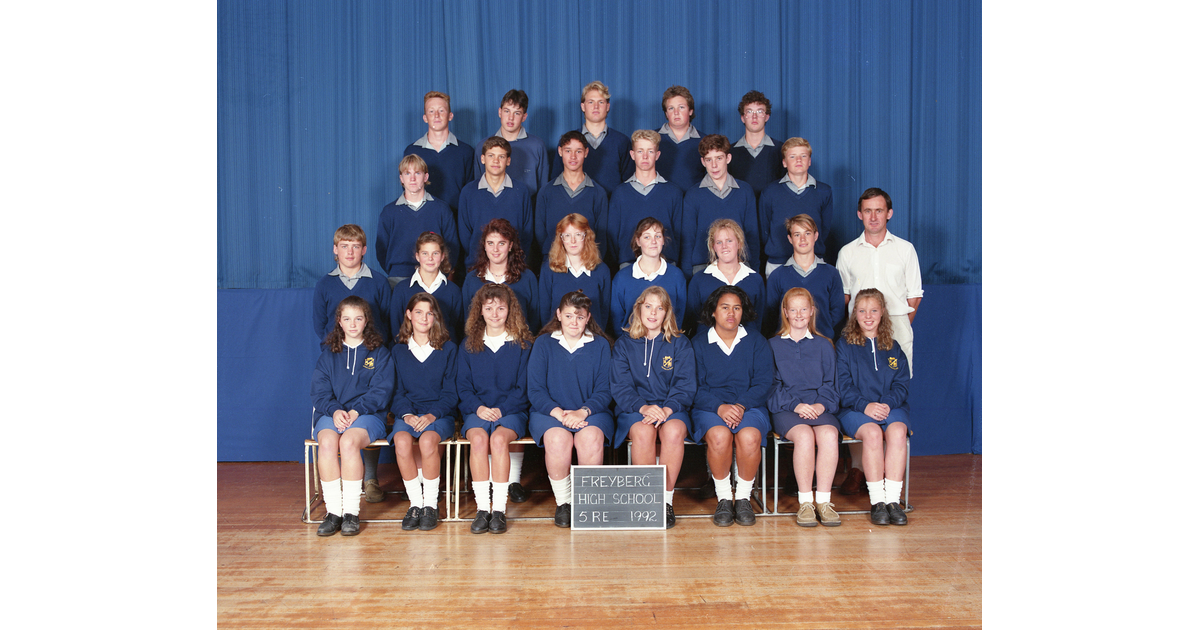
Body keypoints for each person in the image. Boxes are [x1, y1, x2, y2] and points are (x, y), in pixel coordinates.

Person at [312, 224, 392, 503]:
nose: (350, 252)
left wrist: (372, 351)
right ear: (335, 249)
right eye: (344, 246)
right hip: (338, 359)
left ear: (364, 250)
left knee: (359, 428)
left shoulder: (378, 282)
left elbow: (388, 322)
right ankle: (336, 505)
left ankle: (369, 478)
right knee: (332, 437)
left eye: (355, 246)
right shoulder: (325, 284)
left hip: (369, 359)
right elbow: (320, 325)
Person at [610, 286, 696, 529]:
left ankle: (665, 501)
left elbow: (685, 384)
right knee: (643, 432)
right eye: (648, 306)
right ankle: (648, 501)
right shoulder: (624, 344)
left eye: (660, 308)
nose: (653, 313)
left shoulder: (680, 343)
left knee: (674, 432)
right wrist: (643, 407)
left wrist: (667, 409)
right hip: (635, 409)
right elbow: (620, 386)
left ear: (667, 312)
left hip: (672, 408)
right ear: (639, 308)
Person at [527, 291, 614, 528]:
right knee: (557, 439)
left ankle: (587, 502)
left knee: (590, 438)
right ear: (558, 315)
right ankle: (564, 502)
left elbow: (605, 390)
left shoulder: (600, 345)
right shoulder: (544, 343)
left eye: (580, 317)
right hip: (550, 413)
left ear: (588, 318)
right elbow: (535, 389)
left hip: (592, 412)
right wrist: (559, 414)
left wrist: (583, 412)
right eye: (568, 316)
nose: (574, 322)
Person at [310, 296, 395, 536]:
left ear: (366, 320)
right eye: (347, 319)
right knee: (328, 443)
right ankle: (333, 512)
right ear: (339, 321)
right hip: (332, 413)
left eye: (358, 318)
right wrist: (335, 410)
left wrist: (356, 410)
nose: (353, 324)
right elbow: (319, 392)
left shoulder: (380, 353)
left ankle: (350, 513)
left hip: (368, 414)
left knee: (348, 442)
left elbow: (382, 391)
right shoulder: (328, 355)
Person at [690, 286, 772, 527]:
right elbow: (692, 386)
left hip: (749, 405)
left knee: (749, 437)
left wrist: (741, 405)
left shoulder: (756, 341)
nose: (731, 313)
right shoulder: (698, 343)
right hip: (709, 407)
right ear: (713, 312)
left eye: (737, 308)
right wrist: (719, 407)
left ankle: (743, 499)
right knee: (719, 436)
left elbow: (764, 382)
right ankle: (725, 498)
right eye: (724, 307)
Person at [457, 283, 534, 534]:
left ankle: (499, 509)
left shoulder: (523, 344)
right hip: (477, 411)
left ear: (510, 310)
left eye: (501, 308)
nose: (495, 313)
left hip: (511, 411)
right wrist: (478, 408)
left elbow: (524, 387)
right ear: (480, 310)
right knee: (479, 439)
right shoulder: (468, 345)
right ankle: (482, 509)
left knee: (499, 440)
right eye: (489, 308)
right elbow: (463, 387)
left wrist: (502, 409)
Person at [768, 287, 842, 527]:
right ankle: (806, 503)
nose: (799, 314)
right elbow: (771, 387)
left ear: (812, 311)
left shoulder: (824, 345)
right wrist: (796, 405)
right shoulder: (772, 345)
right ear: (785, 312)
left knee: (829, 435)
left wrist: (820, 405)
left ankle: (824, 502)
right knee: (804, 436)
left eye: (803, 309)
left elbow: (831, 384)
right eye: (793, 310)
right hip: (787, 409)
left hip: (819, 407)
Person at [836, 288, 911, 526]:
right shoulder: (844, 346)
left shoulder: (894, 347)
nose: (868, 316)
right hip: (855, 408)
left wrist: (887, 403)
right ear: (854, 314)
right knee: (872, 433)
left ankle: (893, 501)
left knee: (897, 432)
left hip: (891, 407)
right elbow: (842, 385)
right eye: (862, 311)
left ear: (883, 313)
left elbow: (902, 385)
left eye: (874, 310)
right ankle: (878, 501)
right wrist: (865, 405)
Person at [390, 293, 458, 532]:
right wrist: (407, 415)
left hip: (439, 414)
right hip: (408, 414)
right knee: (401, 441)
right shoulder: (398, 351)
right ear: (409, 315)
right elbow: (396, 392)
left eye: (429, 313)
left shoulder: (448, 349)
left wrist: (432, 415)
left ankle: (430, 504)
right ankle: (415, 504)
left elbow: (451, 393)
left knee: (428, 441)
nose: (424, 317)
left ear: (435, 317)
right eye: (418, 312)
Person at [836, 187, 923, 373]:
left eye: (879, 211)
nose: (873, 217)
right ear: (860, 214)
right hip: (860, 330)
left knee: (898, 382)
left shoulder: (905, 250)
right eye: (868, 211)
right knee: (862, 380)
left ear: (889, 213)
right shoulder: (847, 253)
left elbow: (914, 297)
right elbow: (844, 296)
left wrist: (895, 324)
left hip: (897, 329)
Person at [681, 134, 760, 278]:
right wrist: (687, 275)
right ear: (703, 162)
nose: (714, 165)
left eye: (719, 158)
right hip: (703, 267)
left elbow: (752, 234)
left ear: (728, 158)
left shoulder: (744, 191)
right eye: (709, 160)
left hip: (740, 266)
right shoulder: (693, 195)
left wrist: (754, 270)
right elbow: (688, 238)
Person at [376, 154, 459, 288]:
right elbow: (381, 250)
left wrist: (442, 271)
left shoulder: (441, 209)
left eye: (417, 173)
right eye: (407, 173)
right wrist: (396, 270)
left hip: (433, 276)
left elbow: (452, 246)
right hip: (398, 278)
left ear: (425, 177)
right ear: (401, 178)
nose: (412, 178)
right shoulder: (389, 212)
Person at [606, 129, 684, 268]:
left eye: (650, 151)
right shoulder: (620, 193)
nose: (645, 156)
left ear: (657, 155)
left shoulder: (673, 193)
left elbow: (679, 235)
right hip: (628, 265)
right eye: (640, 151)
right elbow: (612, 237)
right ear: (632, 155)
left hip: (666, 264)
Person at [760, 138, 834, 277]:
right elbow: (765, 230)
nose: (798, 160)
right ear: (784, 162)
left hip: (813, 262)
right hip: (778, 263)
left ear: (809, 161)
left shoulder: (824, 191)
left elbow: (824, 228)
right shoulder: (770, 192)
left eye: (803, 156)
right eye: (792, 156)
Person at [764, 214, 845, 339]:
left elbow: (837, 312)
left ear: (815, 236)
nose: (802, 239)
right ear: (790, 239)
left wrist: (819, 334)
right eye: (797, 234)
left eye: (807, 233)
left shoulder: (831, 273)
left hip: (822, 341)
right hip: (788, 344)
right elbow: (771, 315)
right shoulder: (777, 276)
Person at [458, 137, 534, 269]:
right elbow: (465, 235)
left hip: (513, 267)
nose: (495, 161)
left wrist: (515, 260)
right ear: (482, 159)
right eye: (491, 155)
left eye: (501, 156)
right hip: (477, 267)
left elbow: (526, 232)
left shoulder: (521, 191)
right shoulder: (468, 192)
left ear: (508, 161)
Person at [549, 80, 634, 194]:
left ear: (608, 106)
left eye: (601, 102)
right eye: (591, 102)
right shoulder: (568, 142)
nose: (596, 107)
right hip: (577, 204)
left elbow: (629, 184)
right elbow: (556, 182)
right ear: (583, 106)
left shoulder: (622, 142)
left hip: (612, 204)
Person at [536, 131, 609, 259]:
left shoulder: (598, 193)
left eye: (578, 151)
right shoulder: (546, 192)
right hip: (553, 262)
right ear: (560, 151)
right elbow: (540, 233)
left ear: (586, 152)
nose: (573, 156)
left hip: (587, 262)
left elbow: (601, 235)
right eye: (568, 151)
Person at [685, 218, 765, 334]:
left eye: (729, 241)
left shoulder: (755, 280)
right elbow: (692, 320)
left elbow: (759, 321)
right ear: (714, 247)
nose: (724, 246)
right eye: (719, 242)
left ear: (739, 243)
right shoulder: (699, 280)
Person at [461, 218, 540, 334]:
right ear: (484, 245)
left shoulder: (527, 278)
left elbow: (534, 320)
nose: (495, 249)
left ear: (510, 246)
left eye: (501, 243)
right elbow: (467, 320)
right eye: (490, 243)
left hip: (519, 341)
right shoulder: (472, 279)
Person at [403, 90, 476, 213]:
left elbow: (471, 193)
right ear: (425, 118)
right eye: (431, 111)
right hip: (422, 219)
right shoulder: (412, 151)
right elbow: (408, 192)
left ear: (450, 116)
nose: (436, 115)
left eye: (441, 110)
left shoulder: (466, 151)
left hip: (456, 220)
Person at [538, 214, 612, 334]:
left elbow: (604, 312)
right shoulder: (549, 269)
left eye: (578, 234)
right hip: (557, 337)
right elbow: (545, 312)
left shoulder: (602, 270)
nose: (573, 241)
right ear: (561, 239)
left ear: (586, 236)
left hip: (592, 337)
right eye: (567, 235)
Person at [610, 217, 686, 333]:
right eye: (647, 237)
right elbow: (617, 321)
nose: (653, 241)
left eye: (657, 236)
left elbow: (678, 318)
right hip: (631, 341)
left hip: (666, 341)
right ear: (638, 241)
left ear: (663, 240)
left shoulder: (677, 276)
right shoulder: (621, 278)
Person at [390, 231, 464, 343]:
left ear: (442, 256)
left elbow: (456, 329)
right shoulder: (401, 290)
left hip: (443, 350)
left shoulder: (454, 291)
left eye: (435, 253)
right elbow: (396, 328)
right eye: (425, 253)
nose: (430, 258)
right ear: (417, 256)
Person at [483, 89, 549, 199]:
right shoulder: (484, 146)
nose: (511, 118)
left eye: (517, 113)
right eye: (507, 111)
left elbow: (544, 189)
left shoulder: (537, 146)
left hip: (528, 206)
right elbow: (479, 188)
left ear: (524, 117)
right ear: (500, 112)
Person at [728, 90, 783, 197]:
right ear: (743, 118)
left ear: (766, 117)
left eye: (759, 111)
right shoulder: (729, 152)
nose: (754, 116)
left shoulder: (781, 150)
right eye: (749, 111)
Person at [655, 85, 706, 190]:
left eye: (681, 107)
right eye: (671, 108)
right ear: (666, 113)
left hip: (693, 199)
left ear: (690, 111)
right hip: (660, 198)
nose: (676, 112)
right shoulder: (652, 139)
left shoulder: (705, 141)